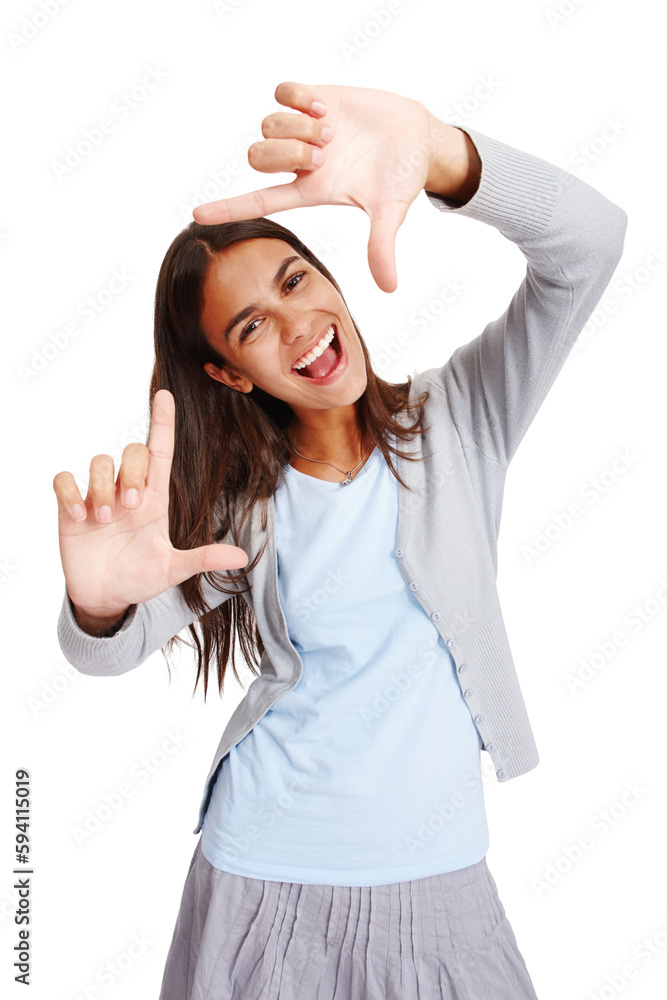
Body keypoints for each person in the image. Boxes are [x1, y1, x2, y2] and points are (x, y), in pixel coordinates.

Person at [53, 82, 628, 999]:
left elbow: (592, 244)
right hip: (263, 880)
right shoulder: (233, 506)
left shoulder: (459, 420)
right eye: (252, 327)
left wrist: (444, 154)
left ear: (326, 274)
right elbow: (103, 652)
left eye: (295, 282)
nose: (297, 326)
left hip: (443, 883)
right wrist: (99, 600)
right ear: (228, 374)